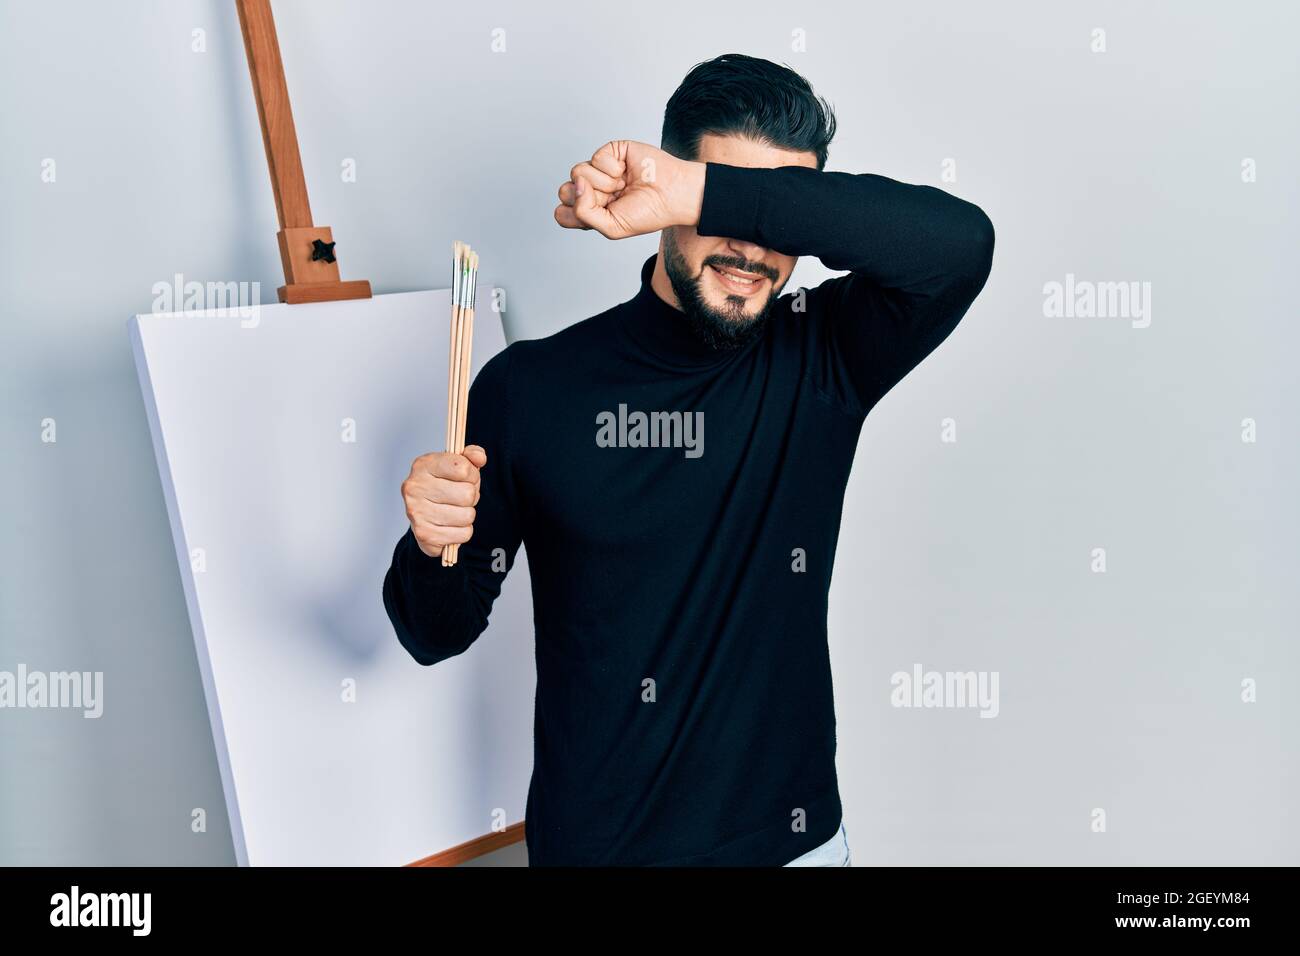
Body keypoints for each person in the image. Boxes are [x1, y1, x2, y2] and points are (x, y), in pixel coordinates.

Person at [383, 52, 994, 866]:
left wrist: (708, 194)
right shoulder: (531, 388)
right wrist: (431, 544)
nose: (752, 249)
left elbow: (961, 244)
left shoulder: (828, 355)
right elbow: (436, 634)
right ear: (661, 205)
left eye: (779, 216)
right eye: (723, 205)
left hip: (794, 849)